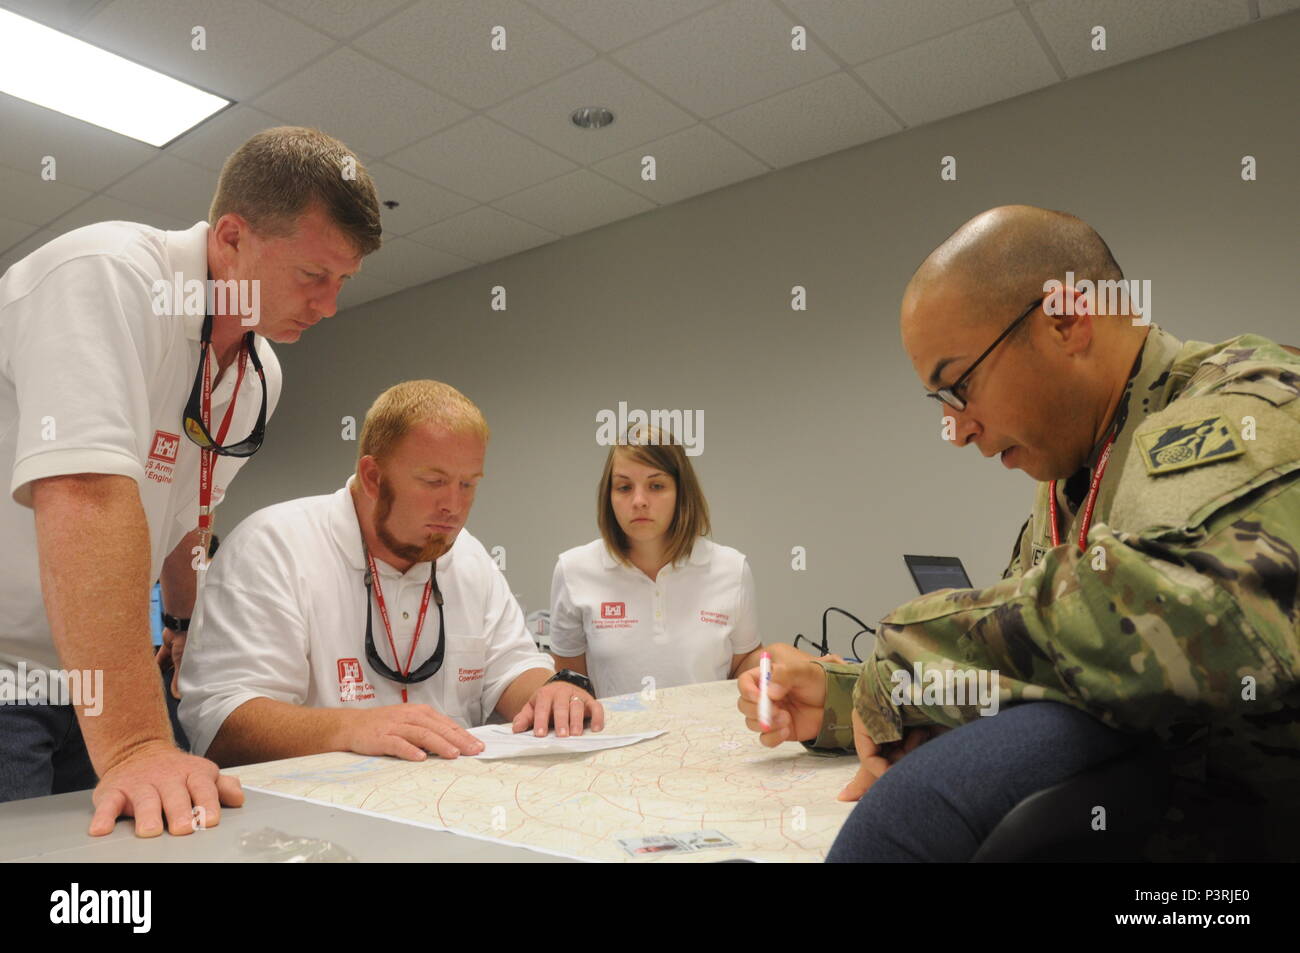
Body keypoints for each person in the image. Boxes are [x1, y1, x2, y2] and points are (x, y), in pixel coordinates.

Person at [738, 205, 1300, 861]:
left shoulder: (1253, 399)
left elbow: (1190, 617)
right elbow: (1032, 663)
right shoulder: (1071, 478)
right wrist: (842, 701)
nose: (960, 427)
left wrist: (908, 648)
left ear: (1066, 320)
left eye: (960, 385)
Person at [0, 125, 381, 837]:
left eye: (343, 282)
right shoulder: (107, 277)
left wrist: (180, 626)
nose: (329, 306)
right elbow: (84, 492)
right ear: (232, 236)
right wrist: (139, 743)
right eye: (312, 276)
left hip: (91, 674)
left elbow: (187, 510)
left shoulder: (258, 374)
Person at [178, 381, 604, 765]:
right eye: (434, 481)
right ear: (373, 477)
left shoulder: (469, 558)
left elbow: (510, 667)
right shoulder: (273, 546)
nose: (454, 507)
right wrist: (352, 729)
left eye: (468, 484)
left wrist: (550, 692)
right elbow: (221, 723)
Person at [550, 428, 763, 698]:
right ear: (609, 496)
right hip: (615, 738)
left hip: (704, 736)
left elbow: (743, 668)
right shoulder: (573, 570)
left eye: (656, 486)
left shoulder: (732, 569)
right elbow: (571, 688)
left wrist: (793, 668)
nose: (639, 501)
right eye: (624, 487)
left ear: (681, 493)